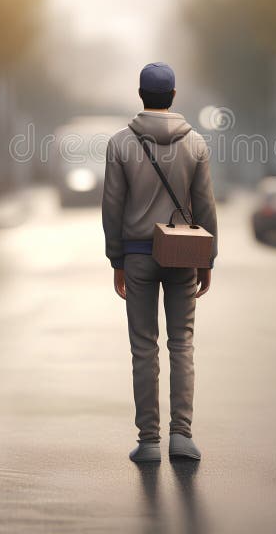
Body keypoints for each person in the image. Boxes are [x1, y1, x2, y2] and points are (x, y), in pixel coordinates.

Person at [102, 62, 218, 463]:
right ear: (172, 97)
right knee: (181, 344)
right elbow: (204, 207)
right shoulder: (196, 144)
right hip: (184, 255)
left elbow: (112, 208)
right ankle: (181, 437)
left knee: (143, 347)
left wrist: (116, 259)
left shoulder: (120, 144)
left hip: (136, 255)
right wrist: (208, 260)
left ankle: (149, 441)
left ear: (141, 96)